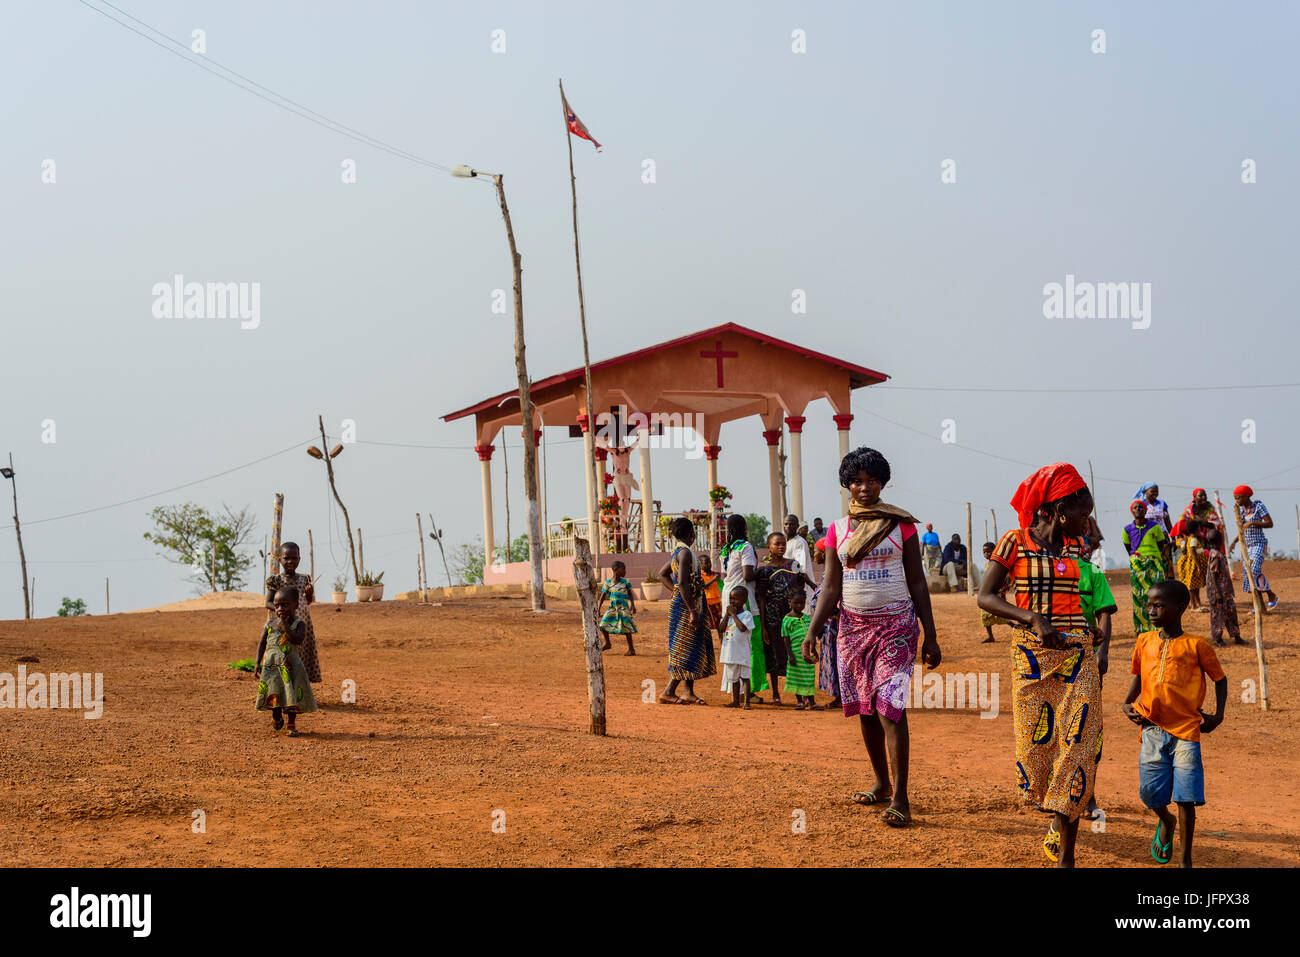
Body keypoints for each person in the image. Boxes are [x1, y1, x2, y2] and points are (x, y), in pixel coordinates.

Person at [803, 447, 941, 828]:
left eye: (873, 480)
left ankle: (901, 798)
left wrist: (930, 635)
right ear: (847, 485)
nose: (866, 487)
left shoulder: (902, 526)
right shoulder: (837, 530)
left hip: (897, 627)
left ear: (883, 482)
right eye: (858, 481)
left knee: (890, 707)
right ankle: (880, 783)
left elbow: (917, 581)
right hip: (851, 629)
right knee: (866, 709)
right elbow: (831, 586)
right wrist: (813, 631)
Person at [979, 462, 1102, 867]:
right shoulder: (1014, 541)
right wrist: (1032, 618)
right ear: (1060, 510)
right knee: (1038, 748)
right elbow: (986, 596)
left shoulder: (1076, 546)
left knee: (1079, 743)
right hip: (1032, 655)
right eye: (1083, 513)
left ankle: (1067, 855)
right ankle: (1054, 817)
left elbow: (1078, 596)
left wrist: (1091, 628)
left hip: (1077, 653)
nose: (1088, 521)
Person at [1122, 580, 1227, 867]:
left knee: (1186, 797)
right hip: (1152, 727)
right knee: (1149, 793)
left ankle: (1186, 860)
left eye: (1159, 605)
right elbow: (1139, 677)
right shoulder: (1144, 640)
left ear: (1180, 608)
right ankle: (1165, 820)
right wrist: (1125, 703)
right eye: (1150, 605)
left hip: (1187, 730)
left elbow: (1220, 678)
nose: (1152, 610)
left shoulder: (1197, 645)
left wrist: (1218, 715)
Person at [656, 517, 716, 704]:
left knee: (693, 645)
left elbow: (661, 575)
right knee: (684, 647)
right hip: (686, 607)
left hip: (688, 603)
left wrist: (679, 593)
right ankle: (668, 691)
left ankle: (688, 691)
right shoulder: (685, 554)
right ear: (692, 534)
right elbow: (681, 583)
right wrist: (691, 609)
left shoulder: (678, 552)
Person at [1077, 556, 1117, 822]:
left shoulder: (1091, 571)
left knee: (1088, 729)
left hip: (1086, 660)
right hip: (1050, 660)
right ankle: (1057, 794)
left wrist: (1102, 652)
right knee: (1054, 729)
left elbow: (1104, 613)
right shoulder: (1044, 567)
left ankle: (1087, 793)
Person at [755, 531, 816, 706]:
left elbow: (800, 587)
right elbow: (762, 598)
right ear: (769, 547)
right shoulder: (765, 570)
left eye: (783, 544)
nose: (781, 547)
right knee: (774, 654)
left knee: (796, 652)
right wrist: (764, 626)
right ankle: (775, 693)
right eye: (777, 544)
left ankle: (801, 693)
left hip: (793, 617)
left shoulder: (794, 565)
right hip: (773, 617)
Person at [254, 586, 319, 736]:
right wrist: (257, 663)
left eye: (285, 604)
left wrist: (286, 629)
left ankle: (291, 724)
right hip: (272, 667)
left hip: (291, 667)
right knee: (274, 692)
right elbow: (262, 643)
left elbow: (298, 639)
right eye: (277, 605)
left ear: (295, 605)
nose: (280, 608)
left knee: (291, 694)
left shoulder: (299, 624)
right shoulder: (270, 624)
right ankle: (276, 716)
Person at [721, 514, 768, 700]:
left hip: (728, 595)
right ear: (745, 529)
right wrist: (763, 570)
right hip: (743, 597)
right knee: (751, 643)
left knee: (732, 642)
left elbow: (725, 575)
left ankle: (733, 687)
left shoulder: (726, 549)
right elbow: (748, 575)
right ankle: (750, 689)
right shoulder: (746, 547)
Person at [265, 542, 320, 683]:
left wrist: (309, 593)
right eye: (286, 558)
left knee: (301, 654)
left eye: (294, 558)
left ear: (299, 559)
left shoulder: (304, 579)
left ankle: (300, 690)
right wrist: (281, 611)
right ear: (280, 560)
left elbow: (308, 601)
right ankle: (282, 689)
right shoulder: (276, 580)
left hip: (302, 624)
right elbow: (268, 603)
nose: (290, 562)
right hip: (283, 624)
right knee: (283, 653)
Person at [1123, 499, 1170, 636]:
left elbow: (1161, 544)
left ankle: (1158, 626)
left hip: (1154, 563)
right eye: (1135, 507)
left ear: (1145, 511)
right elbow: (1129, 548)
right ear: (1132, 512)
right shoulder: (1127, 530)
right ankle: (1141, 629)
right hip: (1137, 564)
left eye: (1141, 507)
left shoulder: (1155, 526)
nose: (1138, 509)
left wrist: (1151, 556)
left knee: (1157, 594)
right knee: (1139, 596)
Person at [1227, 484, 1279, 609]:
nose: (1237, 501)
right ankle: (1259, 606)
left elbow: (1269, 523)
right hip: (1247, 547)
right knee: (1250, 575)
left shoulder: (1258, 506)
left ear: (1246, 496)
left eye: (1238, 498)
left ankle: (1271, 594)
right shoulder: (1240, 511)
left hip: (1259, 544)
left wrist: (1252, 522)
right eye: (1235, 498)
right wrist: (1234, 542)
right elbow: (1242, 530)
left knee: (1254, 569)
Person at [1203, 528, 1243, 647]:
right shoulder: (1216, 555)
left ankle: (1236, 636)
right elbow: (1214, 574)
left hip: (1225, 591)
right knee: (1218, 615)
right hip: (1218, 592)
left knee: (1231, 612)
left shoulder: (1217, 554)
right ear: (1219, 540)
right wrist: (1218, 593)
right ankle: (1218, 638)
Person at [782, 589, 820, 710]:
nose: (800, 606)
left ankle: (812, 701)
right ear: (790, 602)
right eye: (796, 603)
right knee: (796, 677)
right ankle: (799, 701)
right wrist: (790, 655)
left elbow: (812, 636)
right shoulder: (787, 620)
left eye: (802, 603)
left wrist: (813, 650)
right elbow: (786, 638)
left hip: (807, 654)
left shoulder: (807, 618)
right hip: (795, 654)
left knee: (809, 677)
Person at [811, 559, 841, 710]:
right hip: (831, 625)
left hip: (835, 626)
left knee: (837, 661)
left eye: (816, 550)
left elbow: (825, 597)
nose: (814, 554)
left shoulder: (833, 574)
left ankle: (842, 698)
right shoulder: (829, 573)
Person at [719, 586, 755, 708]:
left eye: (736, 599)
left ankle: (746, 702)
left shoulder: (747, 615)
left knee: (745, 677)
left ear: (744, 600)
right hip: (730, 653)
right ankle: (735, 701)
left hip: (743, 652)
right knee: (733, 679)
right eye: (731, 599)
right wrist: (726, 616)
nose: (732, 601)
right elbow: (721, 629)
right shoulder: (728, 615)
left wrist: (733, 615)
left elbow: (742, 628)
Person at [596, 560, 638, 655]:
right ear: (616, 570)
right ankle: (608, 643)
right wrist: (598, 609)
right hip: (613, 609)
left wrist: (633, 605)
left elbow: (630, 594)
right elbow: (602, 596)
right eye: (623, 569)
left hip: (624, 609)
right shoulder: (608, 583)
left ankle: (631, 649)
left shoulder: (625, 582)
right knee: (602, 625)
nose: (625, 571)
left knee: (627, 628)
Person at [978, 541, 1015, 643]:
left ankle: (1018, 630)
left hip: (997, 594)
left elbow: (1004, 579)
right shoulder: (987, 564)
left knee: (1004, 617)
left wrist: (1003, 593)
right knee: (985, 616)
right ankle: (990, 636)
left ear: (994, 551)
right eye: (984, 552)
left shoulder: (998, 564)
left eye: (988, 552)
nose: (986, 554)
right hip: (988, 594)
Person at [781, 513, 816, 606]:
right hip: (789, 586)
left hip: (801, 587)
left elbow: (800, 568)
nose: (788, 526)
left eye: (792, 524)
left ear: (797, 526)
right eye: (786, 524)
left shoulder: (799, 542)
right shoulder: (785, 542)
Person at [1173, 518, 1207, 611]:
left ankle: (1197, 604)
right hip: (1194, 565)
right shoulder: (1192, 540)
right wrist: (1198, 566)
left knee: (1195, 586)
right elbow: (1192, 552)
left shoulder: (1189, 539)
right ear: (1197, 529)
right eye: (1199, 527)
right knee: (1192, 587)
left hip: (1193, 564)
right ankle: (1194, 606)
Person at [697, 553, 724, 635]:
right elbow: (703, 586)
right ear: (700, 565)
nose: (709, 564)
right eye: (706, 563)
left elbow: (721, 586)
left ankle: (722, 645)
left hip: (718, 603)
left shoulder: (714, 574)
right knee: (707, 626)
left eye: (709, 562)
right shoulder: (700, 576)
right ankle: (707, 646)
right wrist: (714, 579)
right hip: (707, 604)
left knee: (720, 625)